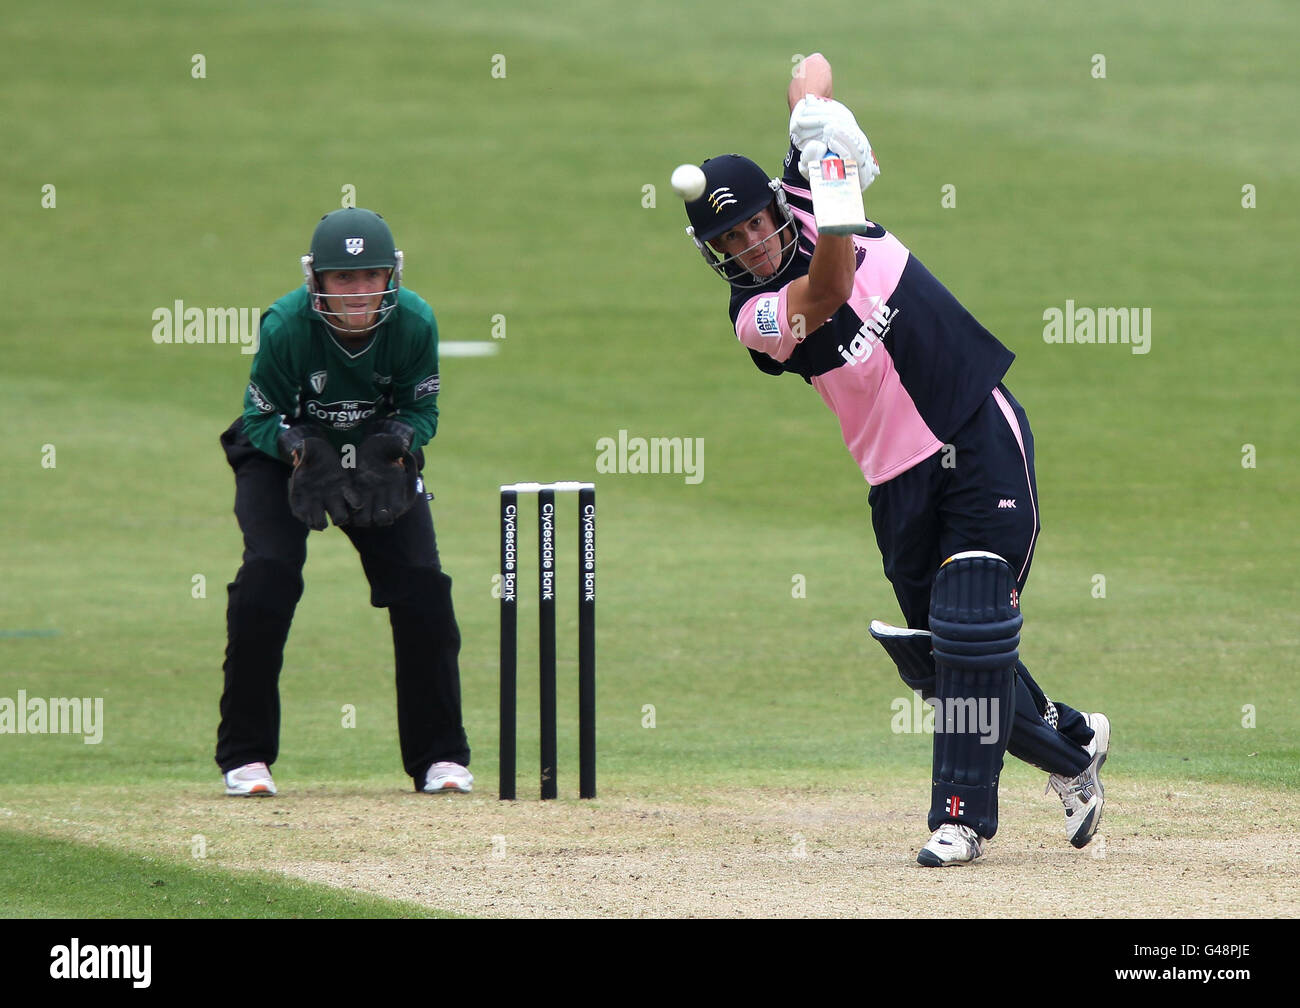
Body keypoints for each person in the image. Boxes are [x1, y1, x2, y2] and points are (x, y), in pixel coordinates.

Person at [680, 54, 1109, 866]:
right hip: (896, 482)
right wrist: (839, 191)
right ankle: (1074, 745)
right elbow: (830, 291)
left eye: (753, 225)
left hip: (976, 430)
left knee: (971, 624)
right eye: (727, 240)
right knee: (947, 666)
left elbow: (811, 67)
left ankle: (959, 820)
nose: (749, 246)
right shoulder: (757, 318)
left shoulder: (807, 192)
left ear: (776, 207)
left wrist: (817, 119)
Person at [216, 207, 472, 798]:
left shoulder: (414, 322)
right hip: (286, 460)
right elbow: (259, 416)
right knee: (269, 576)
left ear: (391, 275)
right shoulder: (285, 325)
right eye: (343, 279)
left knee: (422, 585)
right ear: (317, 281)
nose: (359, 292)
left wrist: (400, 442)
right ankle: (246, 756)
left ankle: (440, 757)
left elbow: (421, 409)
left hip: (376, 456)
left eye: (371, 277)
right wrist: (296, 445)